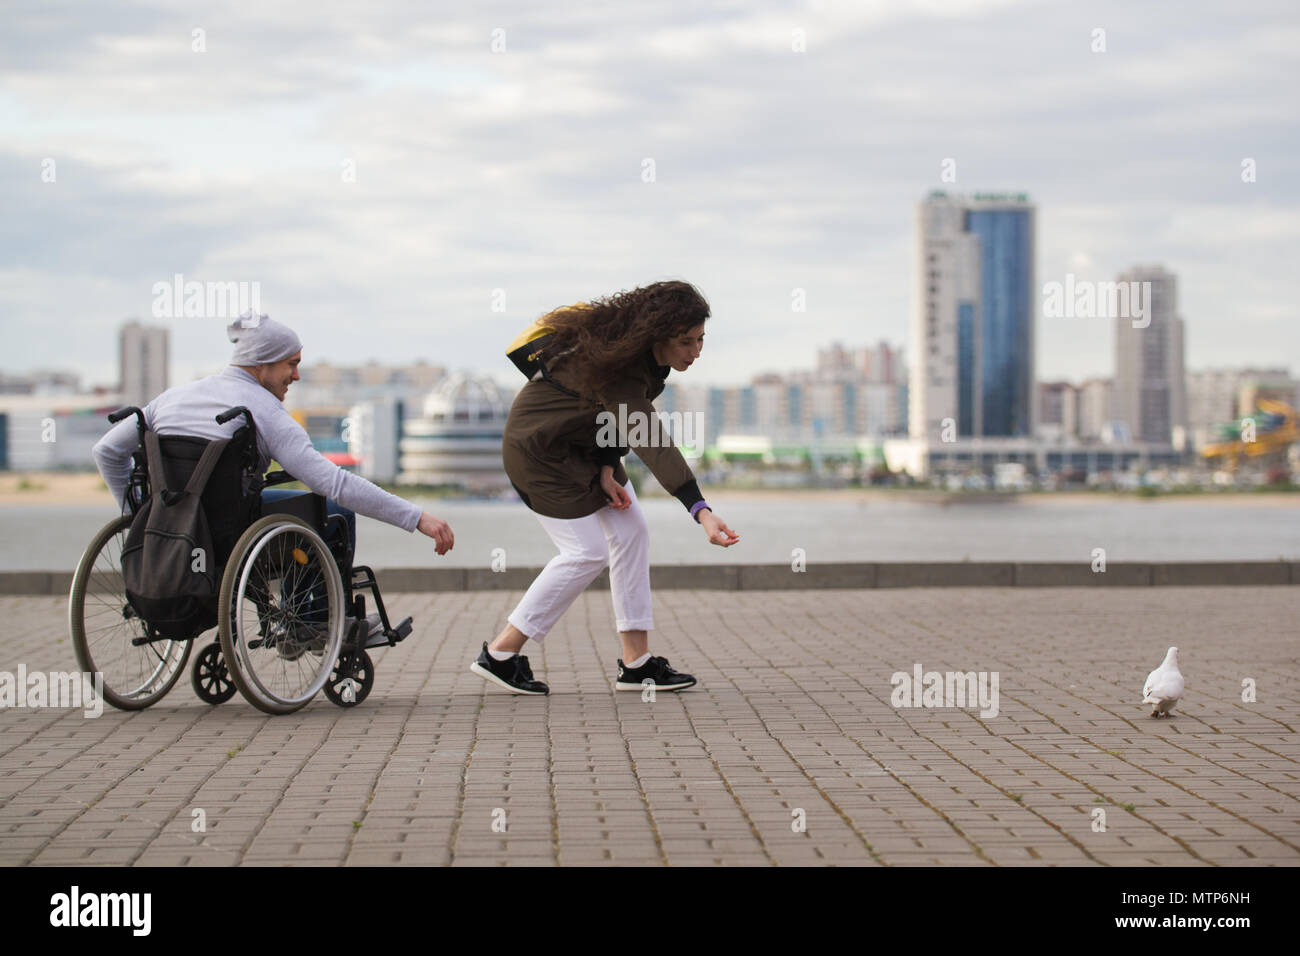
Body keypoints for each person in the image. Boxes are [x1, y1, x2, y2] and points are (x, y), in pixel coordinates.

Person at [92, 312, 454, 637]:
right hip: (230, 532)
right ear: (261, 363)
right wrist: (417, 517)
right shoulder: (263, 410)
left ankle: (305, 617)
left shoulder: (171, 399)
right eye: (291, 364)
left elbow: (106, 451)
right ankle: (316, 620)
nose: (296, 375)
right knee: (335, 512)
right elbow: (334, 484)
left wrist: (139, 517)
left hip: (169, 531)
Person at [471, 280, 739, 696]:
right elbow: (648, 436)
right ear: (657, 336)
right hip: (537, 455)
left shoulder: (647, 363)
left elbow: (601, 415)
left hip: (579, 452)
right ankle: (501, 654)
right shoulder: (623, 367)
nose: (695, 351)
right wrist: (700, 509)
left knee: (632, 532)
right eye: (685, 341)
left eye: (701, 340)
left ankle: (637, 663)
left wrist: (608, 464)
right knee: (586, 552)